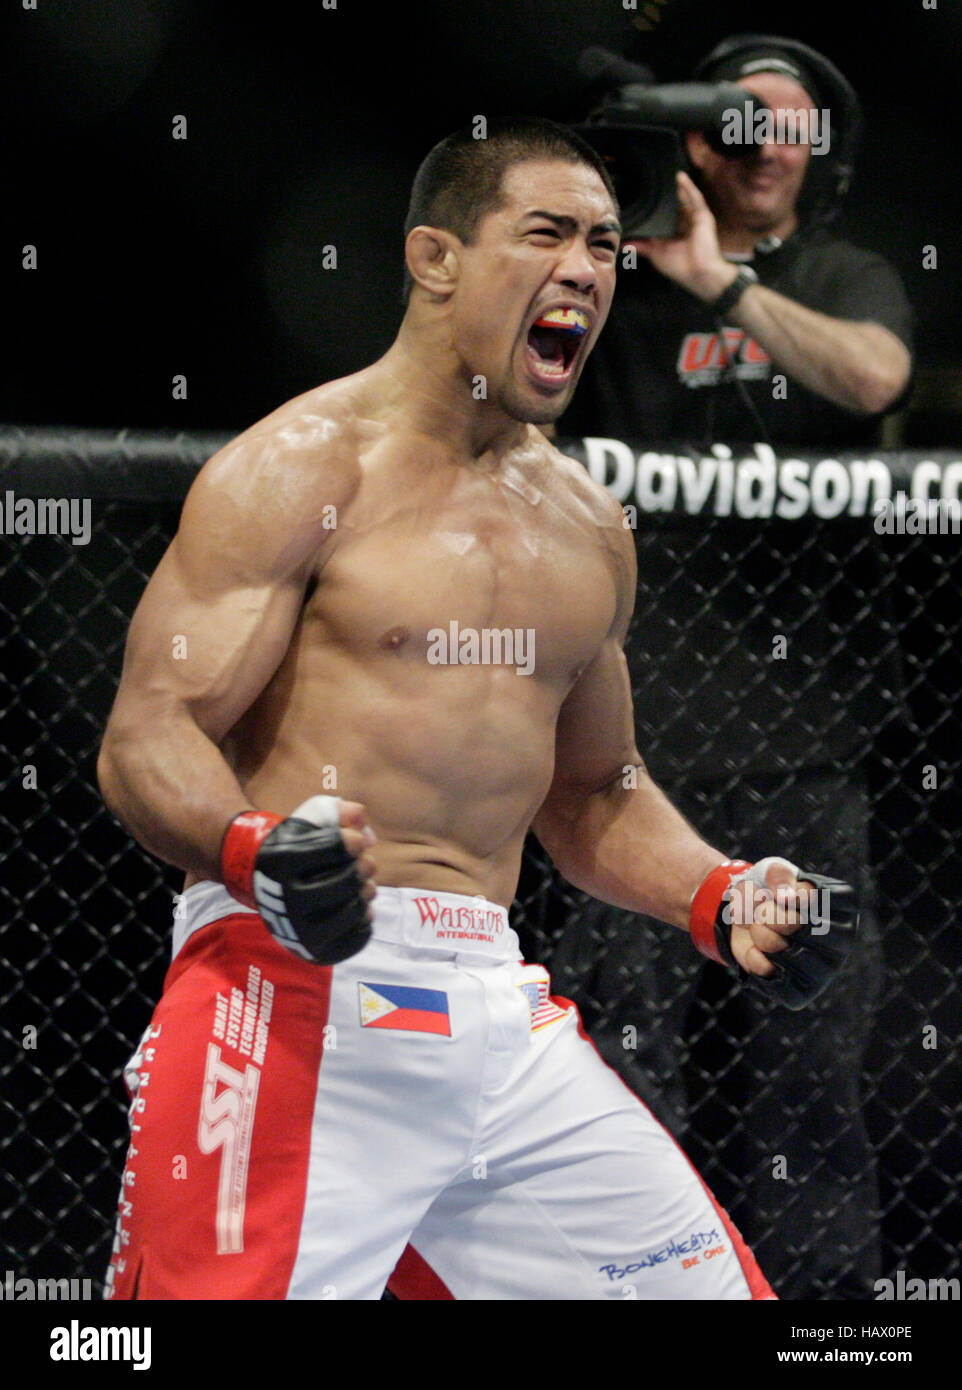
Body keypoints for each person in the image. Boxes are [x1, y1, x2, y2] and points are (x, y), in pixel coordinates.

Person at [96, 116, 855, 1301]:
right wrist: (253, 851)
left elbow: (595, 790)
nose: (584, 269)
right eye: (545, 233)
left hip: (492, 1011)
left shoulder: (586, 524)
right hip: (295, 985)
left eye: (605, 244)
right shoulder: (303, 468)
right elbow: (149, 730)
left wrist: (719, 890)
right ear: (434, 258)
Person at [555, 36, 913, 1298]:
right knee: (608, 1086)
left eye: (789, 122)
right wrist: (613, 217)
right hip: (622, 769)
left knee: (805, 1099)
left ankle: (817, 1327)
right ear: (693, 139)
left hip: (800, 761)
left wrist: (720, 286)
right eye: (733, 116)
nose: (762, 138)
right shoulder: (609, 283)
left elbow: (874, 376)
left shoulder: (840, 277)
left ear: (824, 155)